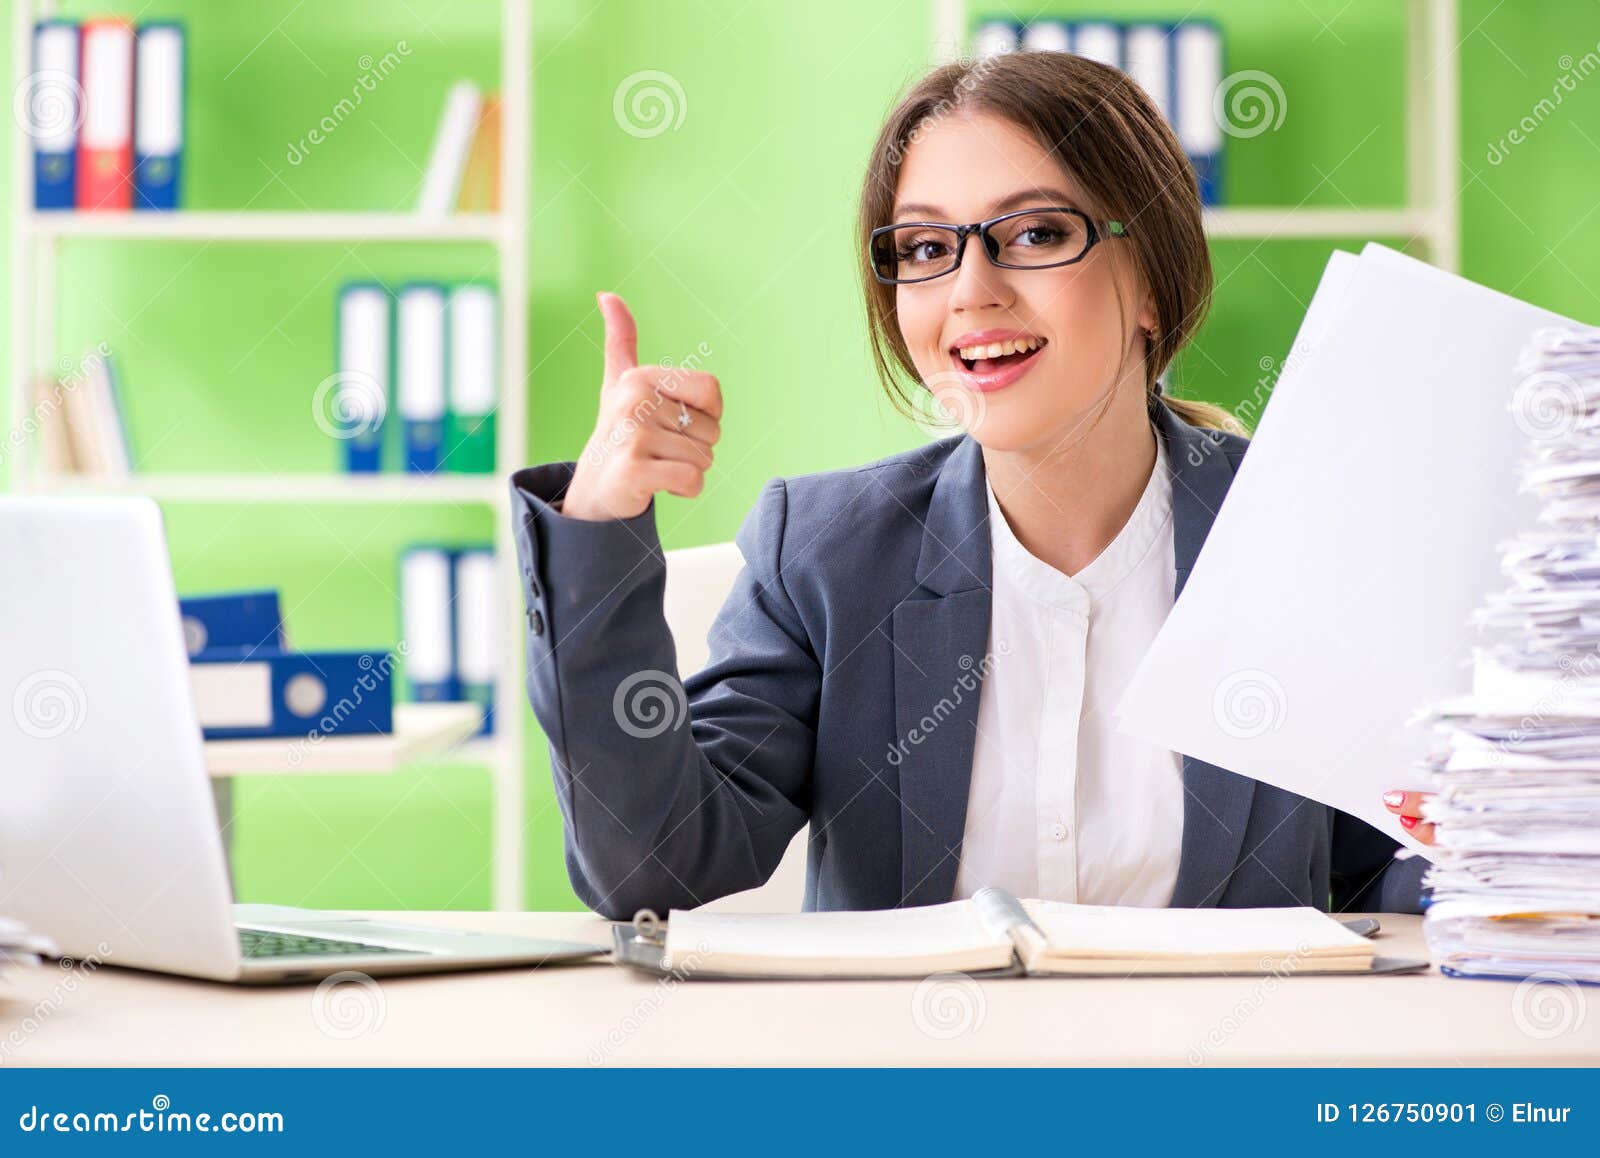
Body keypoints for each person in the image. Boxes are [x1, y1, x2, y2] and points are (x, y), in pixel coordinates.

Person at [509, 50, 1432, 920]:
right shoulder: (826, 553)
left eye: (1036, 233)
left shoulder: (1299, 531)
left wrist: (1484, 846)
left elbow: (1379, 867)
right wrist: (598, 524)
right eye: (923, 248)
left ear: (1151, 281)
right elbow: (656, 864)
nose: (970, 289)